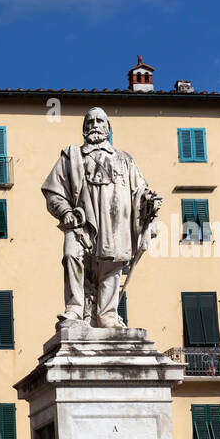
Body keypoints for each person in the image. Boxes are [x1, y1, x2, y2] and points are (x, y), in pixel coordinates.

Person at [42, 107, 162, 328]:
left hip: (115, 224)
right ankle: (75, 310)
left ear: (108, 128)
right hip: (80, 223)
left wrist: (149, 201)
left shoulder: (124, 159)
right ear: (83, 129)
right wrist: (65, 212)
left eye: (99, 121)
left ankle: (107, 314)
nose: (94, 125)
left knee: (111, 266)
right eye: (89, 122)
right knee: (71, 255)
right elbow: (53, 191)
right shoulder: (71, 157)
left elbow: (140, 191)